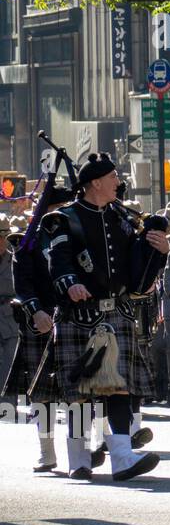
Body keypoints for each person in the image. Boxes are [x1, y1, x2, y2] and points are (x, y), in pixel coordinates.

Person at [43, 153, 169, 482]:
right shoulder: (65, 219)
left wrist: (159, 252)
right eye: (113, 176)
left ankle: (123, 458)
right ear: (96, 182)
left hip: (118, 311)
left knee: (120, 388)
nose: (119, 182)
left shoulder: (123, 219)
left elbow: (139, 273)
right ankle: (79, 458)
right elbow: (59, 261)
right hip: (79, 314)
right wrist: (69, 284)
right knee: (80, 392)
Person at [3, 177, 75, 474]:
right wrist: (35, 312)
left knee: (78, 390)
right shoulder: (27, 243)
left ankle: (80, 451)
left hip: (72, 319)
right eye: (59, 208)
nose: (64, 214)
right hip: (40, 322)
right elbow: (23, 285)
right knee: (41, 394)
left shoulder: (75, 238)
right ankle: (47, 452)